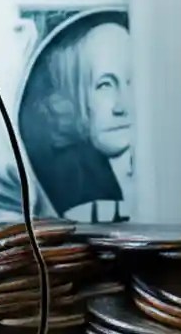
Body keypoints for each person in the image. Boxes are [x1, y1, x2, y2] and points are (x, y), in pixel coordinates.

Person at [19, 12, 134, 222]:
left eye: (132, 82)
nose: (123, 107)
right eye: (104, 85)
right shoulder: (73, 187)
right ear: (66, 99)